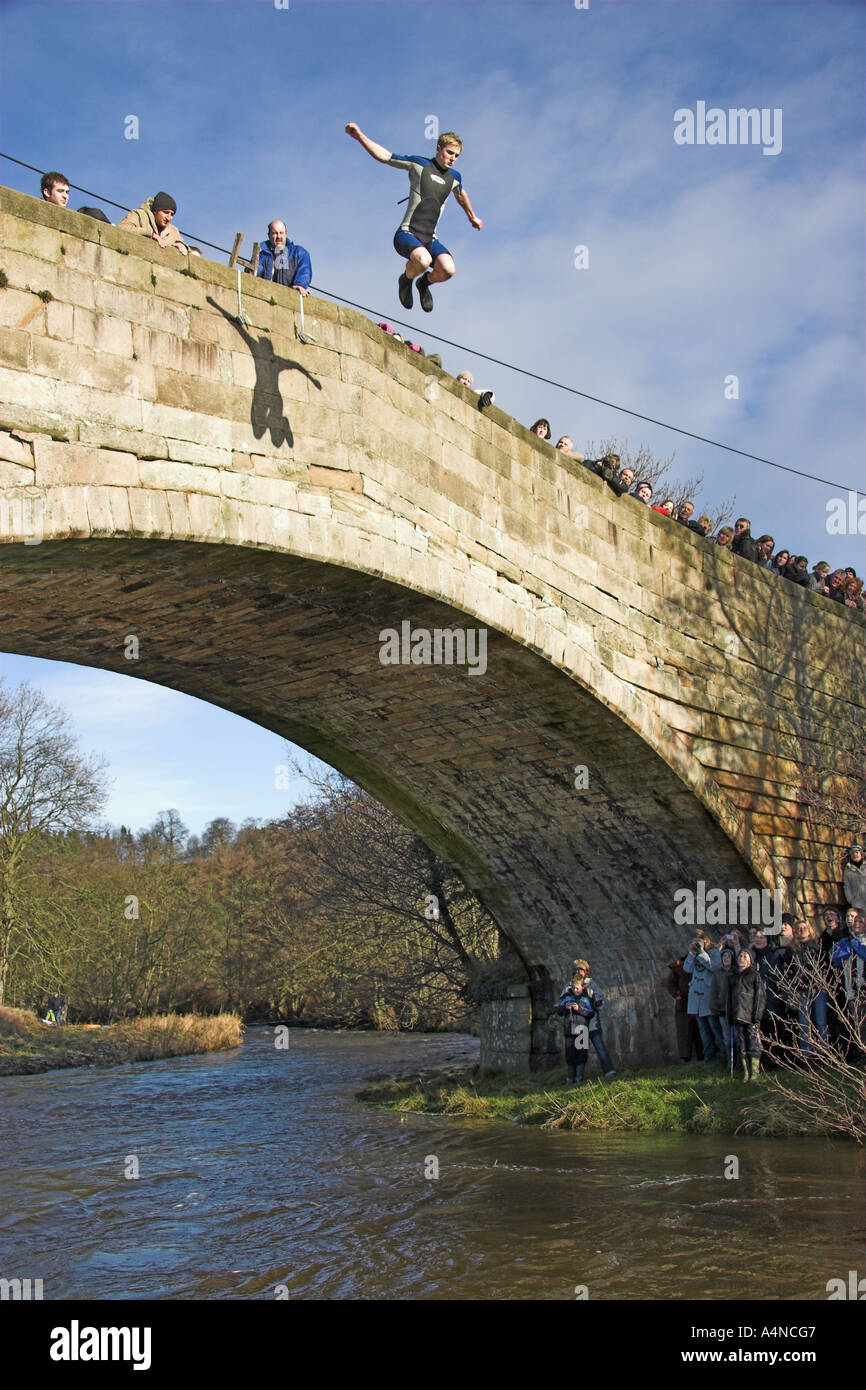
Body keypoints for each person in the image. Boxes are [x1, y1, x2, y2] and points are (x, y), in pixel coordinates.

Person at [345, 123, 482, 313]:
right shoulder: (419, 164)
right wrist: (360, 136)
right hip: (407, 234)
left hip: (430, 239)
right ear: (438, 149)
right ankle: (406, 279)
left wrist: (472, 216)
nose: (453, 159)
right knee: (423, 261)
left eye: (457, 156)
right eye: (450, 153)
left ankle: (424, 283)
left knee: (448, 269)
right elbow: (386, 157)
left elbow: (461, 194)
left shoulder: (455, 177)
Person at [555, 958, 616, 1082]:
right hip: (575, 1024)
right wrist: (567, 1006)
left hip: (590, 1020)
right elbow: (561, 1002)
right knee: (574, 1051)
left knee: (598, 1045)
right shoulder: (569, 984)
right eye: (576, 969)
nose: (578, 971)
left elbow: (598, 1001)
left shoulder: (591, 984)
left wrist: (586, 1006)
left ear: (586, 971)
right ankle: (575, 1078)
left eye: (581, 969)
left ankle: (609, 1071)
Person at [683, 932, 722, 1061]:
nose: (696, 944)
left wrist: (702, 953)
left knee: (714, 1027)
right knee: (703, 1029)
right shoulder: (694, 953)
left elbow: (714, 967)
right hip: (697, 998)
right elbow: (687, 969)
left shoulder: (714, 952)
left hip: (708, 996)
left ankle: (725, 1054)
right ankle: (709, 1056)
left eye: (699, 941)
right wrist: (691, 953)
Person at [732, 949, 766, 1080]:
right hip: (738, 1016)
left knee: (753, 1045)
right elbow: (730, 999)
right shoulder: (734, 977)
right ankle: (746, 1072)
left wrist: (757, 1016)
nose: (742, 959)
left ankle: (755, 1073)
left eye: (745, 957)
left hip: (751, 1016)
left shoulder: (754, 975)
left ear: (750, 960)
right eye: (740, 956)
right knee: (742, 1045)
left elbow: (760, 997)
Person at [118, 192, 188, 254]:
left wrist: (181, 245)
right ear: (155, 211)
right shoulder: (139, 215)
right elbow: (122, 227)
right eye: (165, 212)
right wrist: (150, 234)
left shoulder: (174, 231)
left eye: (172, 214)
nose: (169, 217)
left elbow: (187, 249)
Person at [255, 220, 312, 295]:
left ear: (286, 234)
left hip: (289, 297)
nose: (278, 236)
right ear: (269, 235)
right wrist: (251, 272)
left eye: (281, 233)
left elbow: (305, 271)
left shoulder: (299, 253)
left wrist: (300, 284)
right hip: (265, 296)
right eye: (274, 233)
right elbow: (255, 271)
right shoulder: (262, 256)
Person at [666, 955, 703, 1061]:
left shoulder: (700, 966)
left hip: (698, 1001)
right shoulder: (678, 967)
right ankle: (686, 1056)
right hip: (684, 1003)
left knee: (699, 1030)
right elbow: (670, 983)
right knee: (684, 1031)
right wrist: (677, 995)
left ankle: (702, 1055)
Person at [842, 844, 866, 913]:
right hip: (858, 904)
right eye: (852, 853)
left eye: (857, 852)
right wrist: (851, 900)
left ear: (861, 854)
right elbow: (847, 886)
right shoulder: (848, 870)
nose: (855, 855)